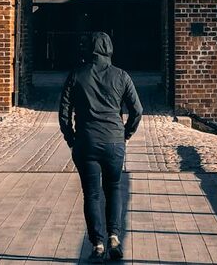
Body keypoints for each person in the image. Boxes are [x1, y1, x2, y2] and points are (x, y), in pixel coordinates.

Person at [59, 31, 143, 261]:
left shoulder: (76, 75)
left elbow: (64, 113)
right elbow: (137, 110)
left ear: (89, 49)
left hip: (86, 142)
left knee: (92, 194)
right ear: (109, 49)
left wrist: (71, 137)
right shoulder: (121, 76)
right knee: (114, 188)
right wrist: (126, 133)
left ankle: (97, 244)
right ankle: (114, 236)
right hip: (114, 141)